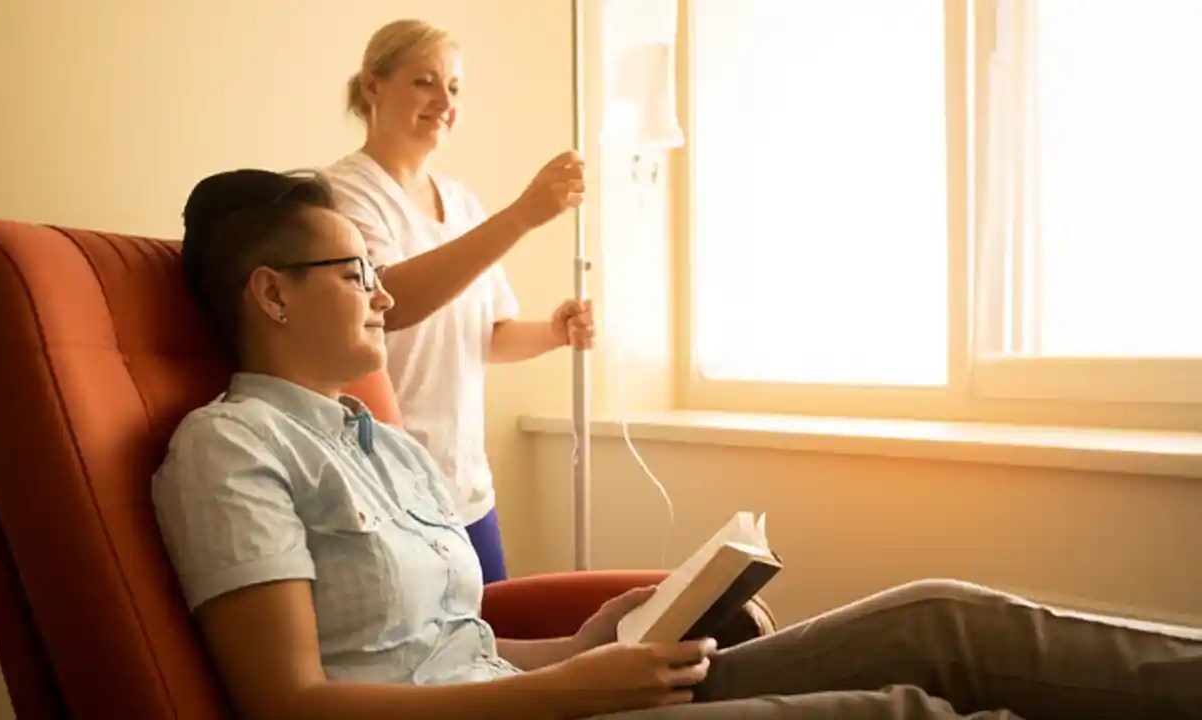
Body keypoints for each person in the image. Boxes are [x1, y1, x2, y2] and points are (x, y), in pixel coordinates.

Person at [153, 168, 1202, 720]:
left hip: (537, 702)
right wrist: (557, 694)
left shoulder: (385, 444)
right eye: (356, 273)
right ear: (269, 295)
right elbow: (286, 704)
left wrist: (583, 645)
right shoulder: (234, 450)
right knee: (908, 711)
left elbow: (447, 652)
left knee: (943, 621)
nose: (386, 293)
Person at [320, 19, 593, 583]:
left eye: (455, 88)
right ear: (373, 86)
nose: (444, 102)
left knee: (496, 647)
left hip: (467, 488)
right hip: (388, 485)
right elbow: (390, 304)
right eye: (425, 82)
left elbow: (491, 334)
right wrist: (520, 217)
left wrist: (554, 330)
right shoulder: (340, 195)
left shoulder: (464, 206)